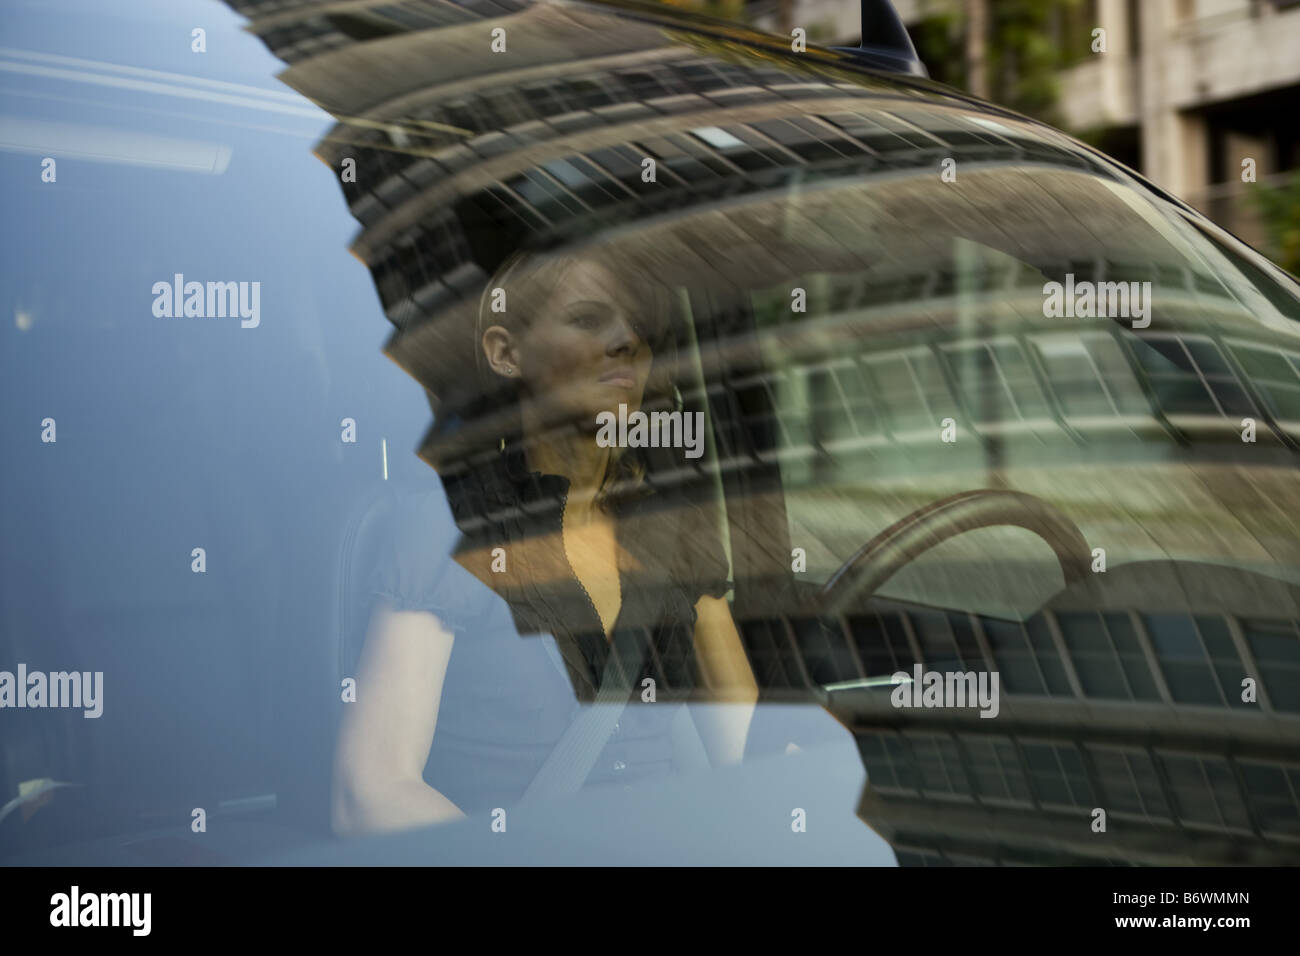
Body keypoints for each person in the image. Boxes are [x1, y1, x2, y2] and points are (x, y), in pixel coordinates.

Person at [331, 246, 759, 836]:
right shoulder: (449, 526)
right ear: (507, 353)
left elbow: (750, 752)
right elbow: (371, 792)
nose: (627, 341)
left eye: (642, 328)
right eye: (588, 319)